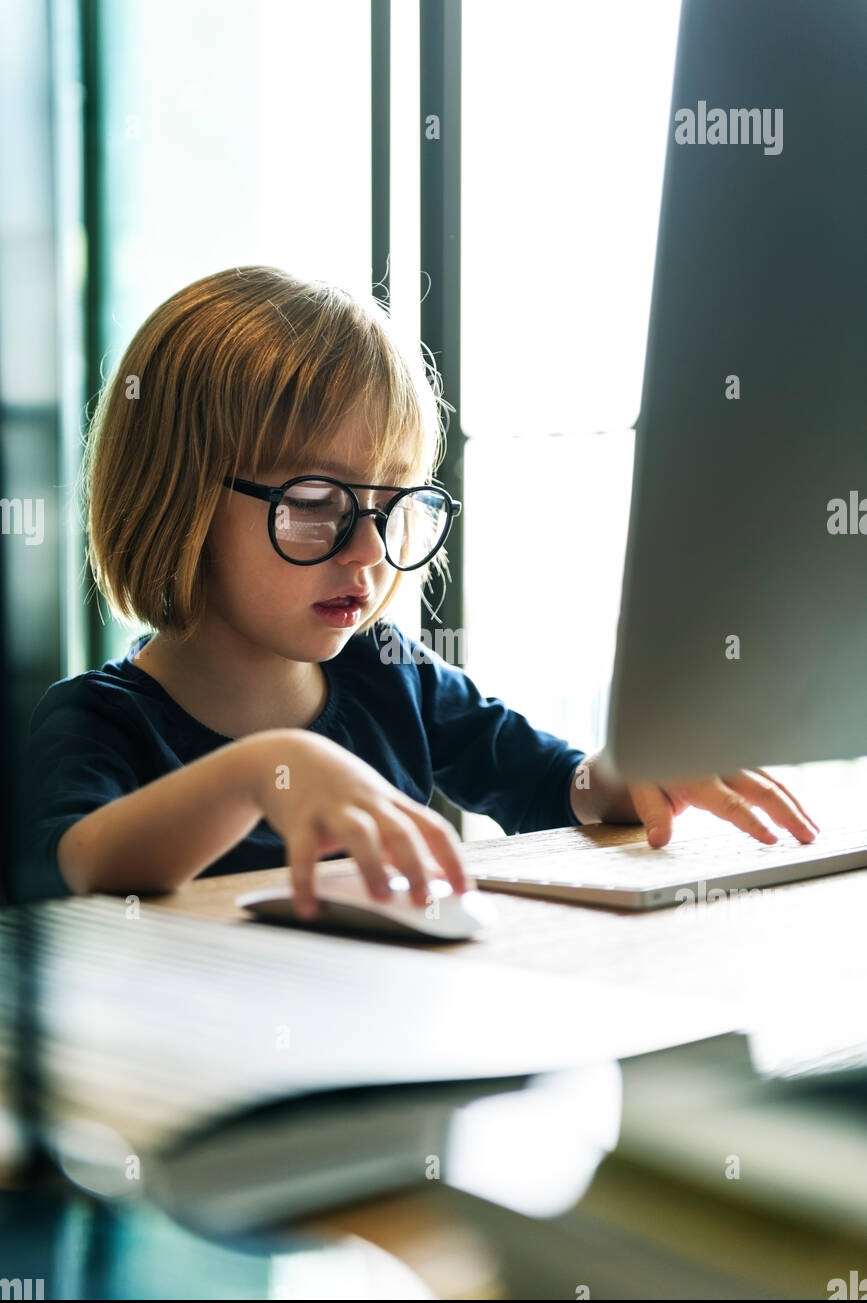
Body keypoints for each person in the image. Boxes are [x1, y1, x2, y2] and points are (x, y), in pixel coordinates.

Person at [20, 266, 818, 915]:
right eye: (312, 505)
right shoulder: (97, 722)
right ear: (176, 497)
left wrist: (633, 770)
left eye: (392, 507)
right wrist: (261, 771)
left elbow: (554, 787)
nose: (367, 551)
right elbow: (82, 867)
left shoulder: (390, 673)